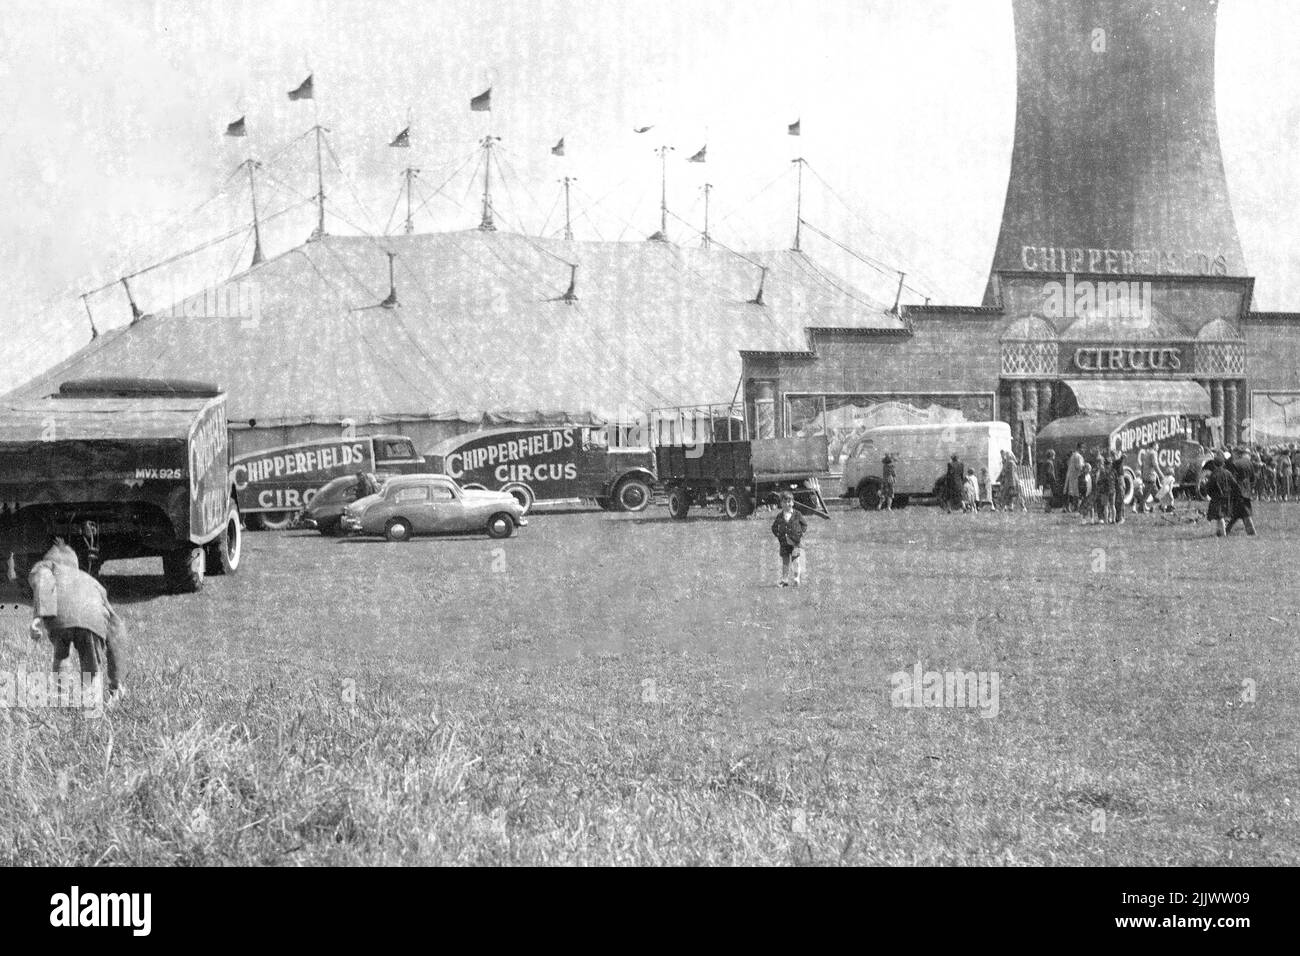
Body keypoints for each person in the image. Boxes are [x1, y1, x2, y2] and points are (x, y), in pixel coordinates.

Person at [27, 539, 127, 699]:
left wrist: (39, 617)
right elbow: (116, 629)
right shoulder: (92, 582)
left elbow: (44, 580)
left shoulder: (47, 567)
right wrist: (117, 681)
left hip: (60, 619)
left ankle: (62, 699)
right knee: (91, 667)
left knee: (61, 656)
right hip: (93, 620)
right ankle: (92, 706)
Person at [771, 491, 808, 587]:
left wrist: (802, 533)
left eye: (789, 501)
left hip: (795, 542)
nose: (788, 504)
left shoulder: (797, 514)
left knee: (796, 560)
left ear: (793, 502)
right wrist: (778, 535)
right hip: (784, 543)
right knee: (785, 561)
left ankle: (796, 578)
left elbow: (804, 524)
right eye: (785, 502)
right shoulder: (779, 516)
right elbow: (774, 527)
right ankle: (785, 580)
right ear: (781, 504)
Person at [1203, 453, 1240, 538]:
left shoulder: (1214, 474)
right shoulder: (1228, 473)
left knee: (1220, 516)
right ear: (1223, 464)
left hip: (1217, 497)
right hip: (1227, 497)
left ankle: (1223, 534)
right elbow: (1235, 484)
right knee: (1220, 516)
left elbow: (1209, 486)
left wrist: (1209, 494)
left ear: (1214, 464)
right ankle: (1218, 532)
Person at [1224, 448, 1258, 536]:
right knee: (1238, 512)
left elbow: (1232, 479)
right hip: (1246, 490)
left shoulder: (1234, 463)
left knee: (1244, 512)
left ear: (1237, 454)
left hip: (1237, 490)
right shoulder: (1248, 462)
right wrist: (1250, 487)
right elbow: (1253, 478)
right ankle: (1227, 530)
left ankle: (1252, 532)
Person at [1094, 449, 1114, 523]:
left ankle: (1107, 517)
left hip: (1103, 489)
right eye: (1097, 462)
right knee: (1100, 503)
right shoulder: (1096, 470)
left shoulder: (1103, 471)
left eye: (1100, 462)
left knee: (1106, 504)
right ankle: (1101, 517)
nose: (1099, 464)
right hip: (1099, 489)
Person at [1064, 443, 1085, 513]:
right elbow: (1079, 467)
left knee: (1072, 492)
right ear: (1080, 448)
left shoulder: (1073, 455)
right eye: (1083, 448)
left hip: (1071, 476)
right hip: (1076, 476)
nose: (1084, 450)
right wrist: (1084, 468)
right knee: (1076, 493)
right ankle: (1075, 507)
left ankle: (1070, 507)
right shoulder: (1078, 456)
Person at [1110, 448, 1128, 523]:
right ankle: (1118, 517)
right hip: (1116, 481)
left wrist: (1122, 457)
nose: (1113, 456)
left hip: (1120, 481)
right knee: (1117, 501)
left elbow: (1120, 460)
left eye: (1114, 455)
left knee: (1120, 500)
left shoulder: (1117, 462)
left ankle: (1121, 518)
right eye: (1112, 455)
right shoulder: (1113, 462)